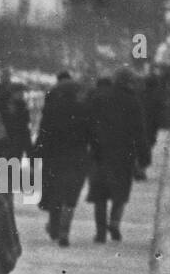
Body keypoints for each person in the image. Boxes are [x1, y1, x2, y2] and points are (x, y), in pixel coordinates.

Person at [84, 71, 149, 242]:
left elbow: (88, 123)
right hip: (123, 154)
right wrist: (144, 157)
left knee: (100, 194)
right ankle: (114, 224)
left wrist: (90, 143)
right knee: (120, 193)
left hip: (100, 153)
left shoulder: (99, 97)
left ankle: (100, 231)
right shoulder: (133, 101)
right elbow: (139, 131)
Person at [35, 74, 91, 246]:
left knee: (56, 194)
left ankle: (54, 227)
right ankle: (64, 231)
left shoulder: (52, 109)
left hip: (55, 158)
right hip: (77, 158)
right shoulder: (84, 110)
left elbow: (43, 135)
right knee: (70, 196)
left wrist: (36, 154)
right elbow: (92, 135)